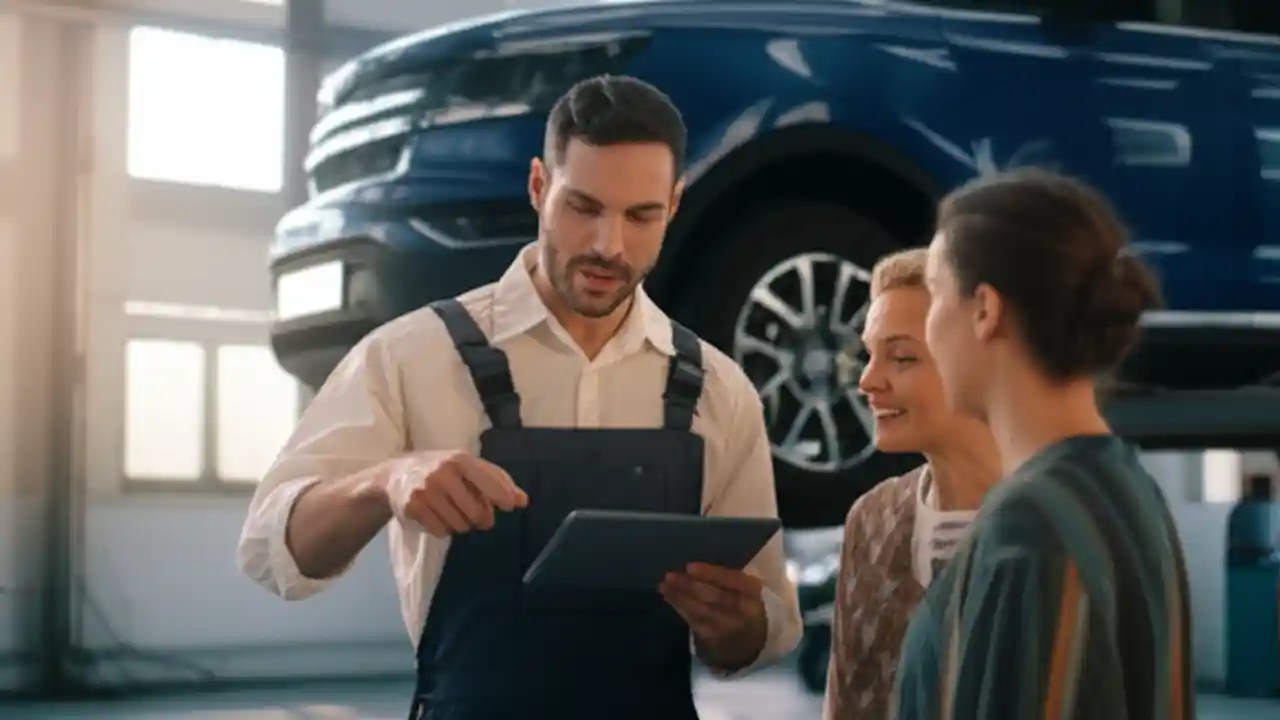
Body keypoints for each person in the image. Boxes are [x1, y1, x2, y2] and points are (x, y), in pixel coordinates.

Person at [236, 75, 801, 719]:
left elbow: (765, 626)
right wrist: (383, 481)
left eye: (640, 216)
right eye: (583, 207)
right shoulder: (412, 355)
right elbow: (269, 550)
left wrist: (736, 627)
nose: (608, 245)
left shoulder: (720, 391)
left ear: (673, 206)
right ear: (538, 186)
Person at [893, 168, 1194, 719]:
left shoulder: (1031, 525)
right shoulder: (1131, 489)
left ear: (985, 311)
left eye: (934, 293)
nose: (928, 327)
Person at [823, 248, 1001, 720]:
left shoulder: (1059, 523)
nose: (867, 380)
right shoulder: (871, 519)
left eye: (901, 357)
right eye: (868, 355)